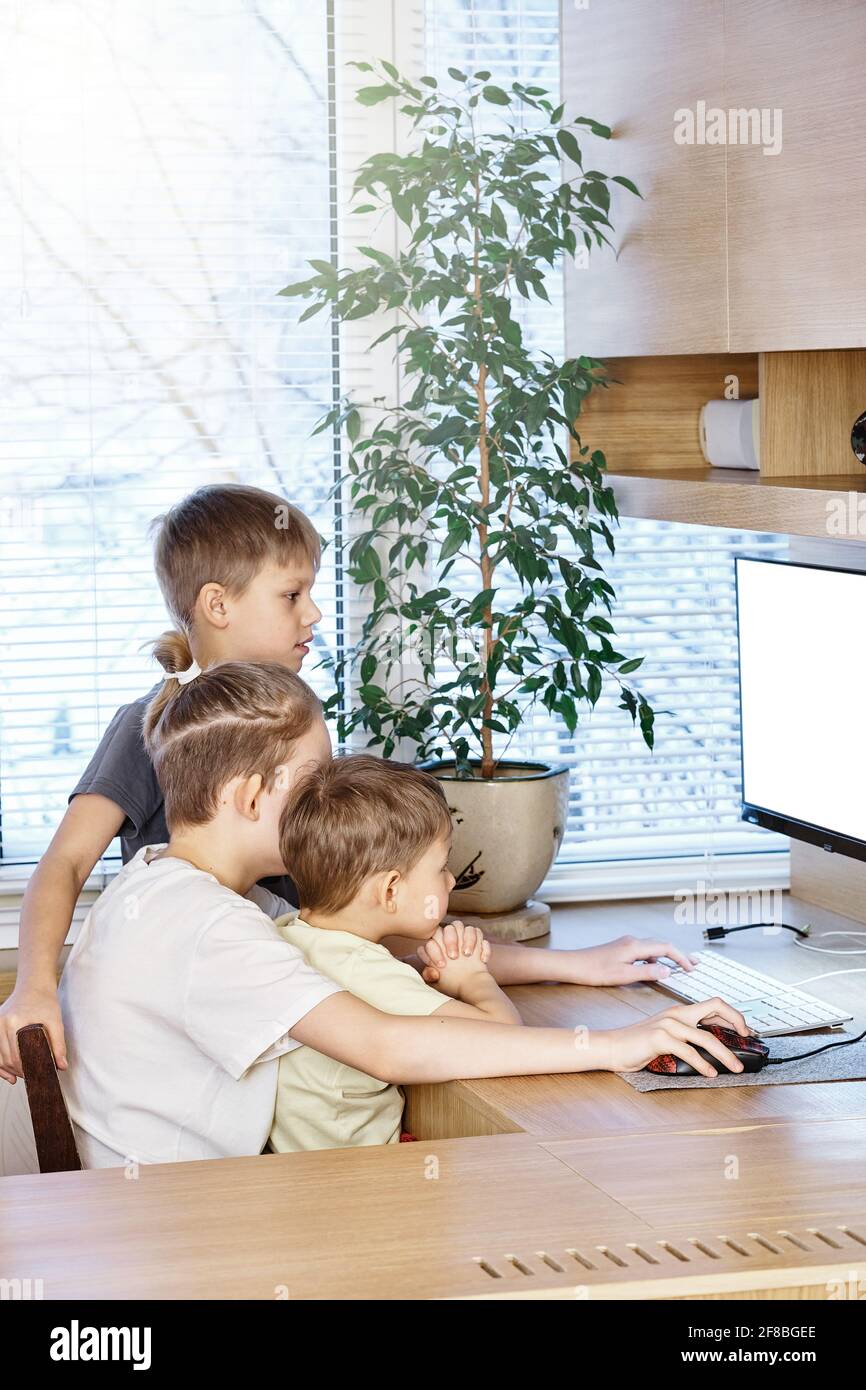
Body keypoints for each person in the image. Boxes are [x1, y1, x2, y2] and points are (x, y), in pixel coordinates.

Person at [38, 662, 748, 1171]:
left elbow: (381, 951)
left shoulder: (161, 882)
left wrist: (575, 967)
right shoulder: (213, 928)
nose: (330, 802)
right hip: (182, 1231)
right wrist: (614, 1043)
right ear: (251, 798)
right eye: (313, 783)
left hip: (148, 1205)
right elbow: (385, 1045)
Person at [0, 483, 322, 1084]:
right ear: (217, 605)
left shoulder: (299, 727)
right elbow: (66, 863)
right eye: (291, 594)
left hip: (289, 998)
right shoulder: (150, 725)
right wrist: (34, 990)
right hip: (195, 1033)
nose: (314, 613)